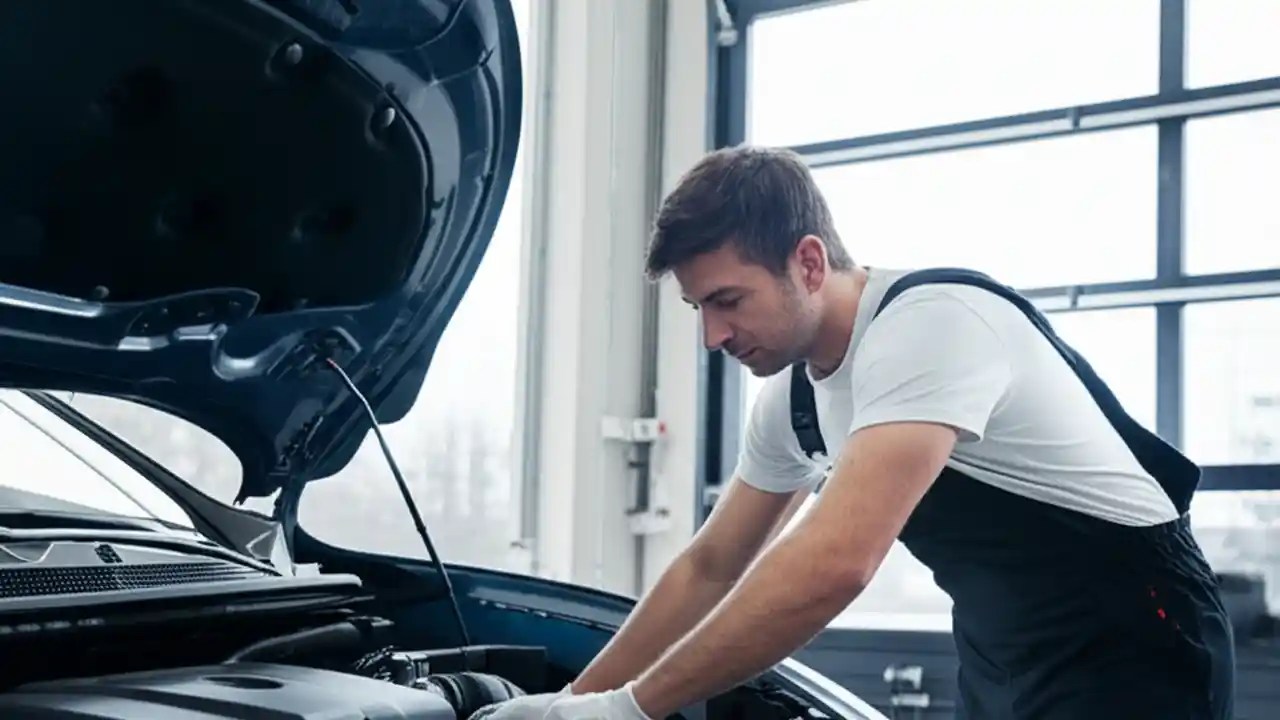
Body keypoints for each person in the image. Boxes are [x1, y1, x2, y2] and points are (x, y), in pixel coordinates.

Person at [475, 145, 1236, 719]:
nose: (712, 335)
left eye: (728, 300)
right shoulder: (794, 403)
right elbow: (710, 567)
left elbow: (837, 561)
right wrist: (569, 701)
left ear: (808, 263)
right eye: (698, 309)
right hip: (1004, 649)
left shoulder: (929, 328)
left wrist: (628, 711)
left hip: (1138, 634)